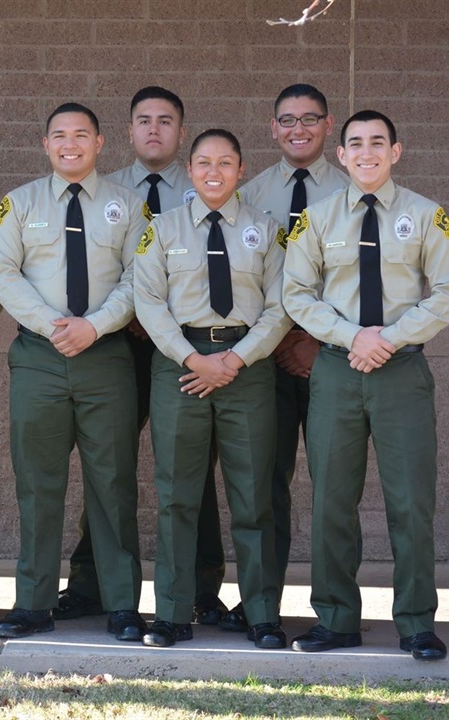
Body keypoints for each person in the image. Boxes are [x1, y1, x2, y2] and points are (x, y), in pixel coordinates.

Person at [283, 110, 449, 661]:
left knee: (411, 501)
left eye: (377, 143)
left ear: (395, 151)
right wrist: (351, 337)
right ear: (341, 155)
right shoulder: (315, 220)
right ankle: (335, 618)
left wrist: (386, 339)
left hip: (400, 372)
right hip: (337, 370)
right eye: (356, 144)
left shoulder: (427, 215)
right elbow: (296, 294)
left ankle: (416, 623)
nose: (366, 152)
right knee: (331, 500)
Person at [58, 85, 232, 631]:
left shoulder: (206, 186)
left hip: (187, 350)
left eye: (165, 121)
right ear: (128, 132)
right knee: (106, 465)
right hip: (117, 345)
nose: (154, 129)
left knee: (193, 467)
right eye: (143, 121)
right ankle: (91, 581)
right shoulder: (104, 190)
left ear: (182, 132)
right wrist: (126, 316)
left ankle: (201, 588)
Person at [0, 103, 147, 642]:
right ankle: (33, 603)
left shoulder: (131, 207)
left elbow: (138, 278)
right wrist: (54, 326)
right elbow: (2, 275)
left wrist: (94, 326)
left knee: (114, 483)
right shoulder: (17, 205)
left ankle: (121, 604)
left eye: (81, 134)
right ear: (45, 143)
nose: (70, 143)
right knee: (38, 483)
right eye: (59, 135)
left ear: (100, 143)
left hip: (106, 357)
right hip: (40, 357)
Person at [134, 128, 290, 649]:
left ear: (241, 170)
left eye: (225, 163)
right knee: (177, 495)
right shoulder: (162, 229)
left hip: (247, 365)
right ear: (190, 170)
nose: (214, 172)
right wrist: (193, 358)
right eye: (203, 162)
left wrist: (236, 359)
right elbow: (148, 301)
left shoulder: (266, 231)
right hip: (181, 365)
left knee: (253, 496)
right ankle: (172, 613)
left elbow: (281, 305)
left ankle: (262, 614)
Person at [237, 83, 349, 606]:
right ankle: (260, 606)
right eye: (287, 119)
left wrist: (316, 342)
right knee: (263, 485)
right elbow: (242, 281)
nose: (298, 129)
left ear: (329, 125)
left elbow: (360, 282)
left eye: (309, 118)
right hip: (267, 360)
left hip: (333, 358)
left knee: (334, 488)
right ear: (273, 128)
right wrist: (280, 340)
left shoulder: (353, 192)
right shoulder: (250, 195)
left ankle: (333, 609)